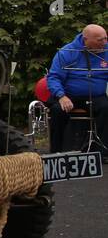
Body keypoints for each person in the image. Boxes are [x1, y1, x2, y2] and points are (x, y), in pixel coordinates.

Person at [46, 23, 108, 153]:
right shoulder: (67, 52)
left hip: (97, 96)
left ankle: (102, 152)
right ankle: (56, 152)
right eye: (100, 40)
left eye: (105, 38)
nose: (105, 42)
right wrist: (61, 96)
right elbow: (54, 77)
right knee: (58, 110)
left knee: (106, 109)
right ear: (86, 39)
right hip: (69, 95)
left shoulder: (106, 50)